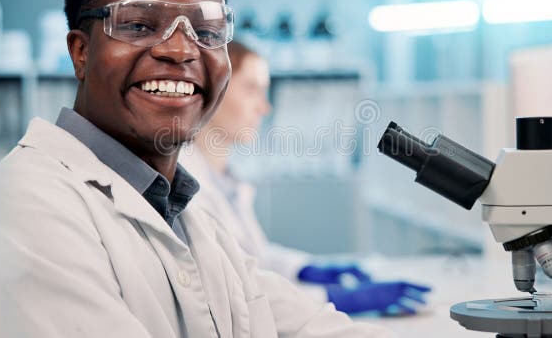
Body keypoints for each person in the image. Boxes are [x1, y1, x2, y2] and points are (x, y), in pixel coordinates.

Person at [0, 0, 393, 337]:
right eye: (138, 25)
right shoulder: (26, 202)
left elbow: (306, 324)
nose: (181, 49)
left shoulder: (186, 214)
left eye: (207, 31)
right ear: (80, 51)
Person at [181, 40, 432, 315]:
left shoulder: (226, 178)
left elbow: (252, 259)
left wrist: (304, 268)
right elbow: (235, 290)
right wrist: (337, 298)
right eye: (252, 90)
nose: (264, 108)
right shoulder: (186, 187)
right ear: (210, 89)